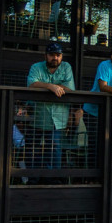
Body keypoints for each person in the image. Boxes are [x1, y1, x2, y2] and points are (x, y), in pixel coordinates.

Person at [25, 39, 76, 174]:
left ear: (62, 56)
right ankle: (32, 178)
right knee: (33, 148)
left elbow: (70, 88)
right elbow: (31, 84)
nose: (55, 58)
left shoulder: (66, 67)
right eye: (52, 55)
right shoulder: (36, 67)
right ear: (45, 55)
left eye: (58, 55)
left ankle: (53, 178)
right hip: (37, 116)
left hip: (58, 118)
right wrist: (50, 86)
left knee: (54, 148)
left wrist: (44, 86)